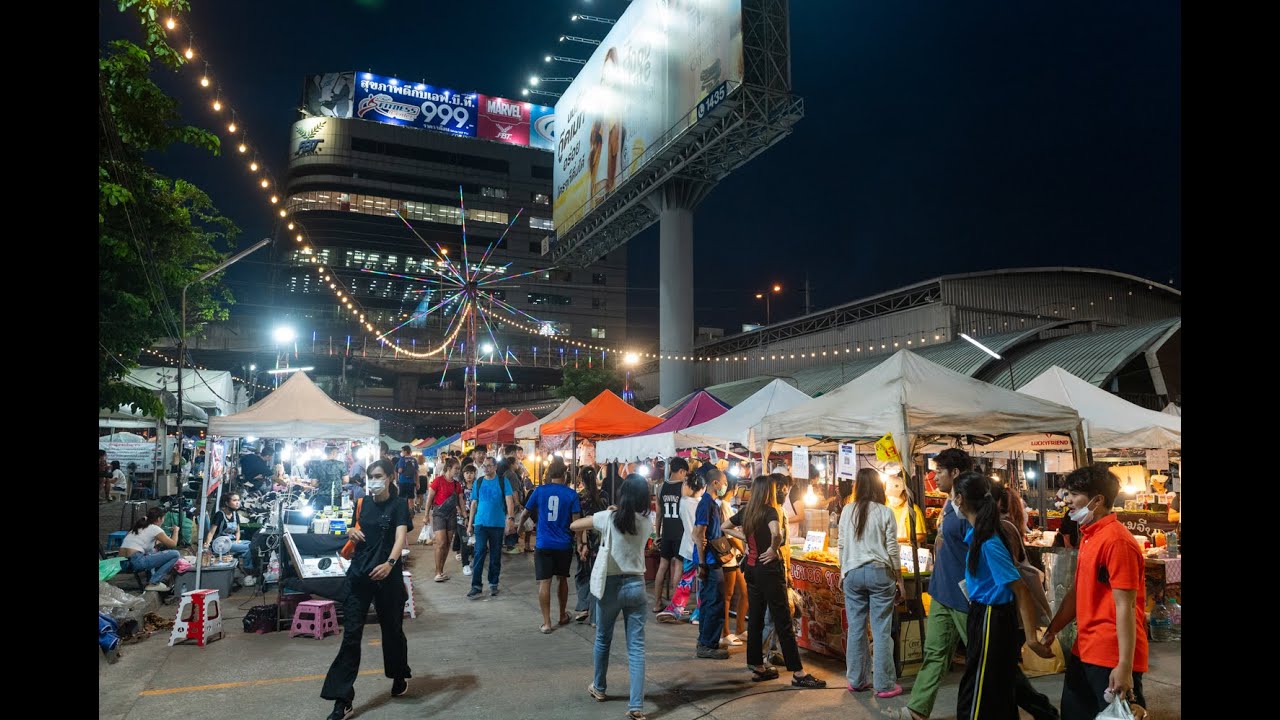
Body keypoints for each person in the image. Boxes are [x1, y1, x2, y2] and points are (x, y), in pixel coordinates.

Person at [1040, 464, 1149, 720]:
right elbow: (1077, 593)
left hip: (1111, 654)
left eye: (1074, 494)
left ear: (1097, 500)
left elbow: (1126, 607)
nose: (1068, 501)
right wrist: (1053, 629)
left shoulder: (1117, 541)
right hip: (1085, 649)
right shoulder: (1090, 536)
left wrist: (1124, 666)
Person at [948, 471, 1055, 720]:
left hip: (991, 617)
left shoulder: (989, 542)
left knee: (977, 690)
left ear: (961, 499)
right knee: (1000, 685)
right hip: (984, 614)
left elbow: (1020, 589)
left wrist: (1031, 639)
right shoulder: (977, 534)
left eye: (953, 496)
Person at [320, 459, 413, 720]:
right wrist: (351, 531)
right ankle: (342, 699)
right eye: (371, 476)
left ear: (391, 477)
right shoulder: (363, 502)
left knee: (392, 630)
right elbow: (355, 528)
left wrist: (390, 564)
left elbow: (400, 538)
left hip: (387, 577)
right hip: (360, 576)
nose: (373, 480)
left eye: (378, 475)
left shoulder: (398, 504)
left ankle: (398, 675)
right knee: (351, 636)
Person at [723, 475, 827, 689]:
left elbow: (725, 527)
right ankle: (798, 673)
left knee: (756, 619)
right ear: (769, 491)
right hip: (769, 570)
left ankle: (757, 667)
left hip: (751, 569)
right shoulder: (771, 511)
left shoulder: (748, 511)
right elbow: (776, 534)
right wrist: (772, 549)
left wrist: (745, 539)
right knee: (783, 621)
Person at [900, 449, 975, 720]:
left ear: (955, 473)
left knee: (983, 660)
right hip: (942, 592)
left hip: (966, 597)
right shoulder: (947, 504)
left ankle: (1028, 704)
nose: (934, 477)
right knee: (934, 654)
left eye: (939, 471)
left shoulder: (971, 507)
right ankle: (917, 710)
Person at [573, 474, 653, 720]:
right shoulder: (648, 521)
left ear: (622, 495)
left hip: (610, 585)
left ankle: (599, 687)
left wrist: (611, 511)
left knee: (603, 639)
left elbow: (574, 526)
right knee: (636, 648)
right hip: (637, 585)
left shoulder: (608, 517)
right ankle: (636, 705)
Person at [840, 468, 904, 697]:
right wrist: (900, 580)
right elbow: (892, 549)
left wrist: (842, 573)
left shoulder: (847, 510)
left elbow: (841, 545)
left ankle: (857, 680)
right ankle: (884, 684)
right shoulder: (886, 512)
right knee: (881, 630)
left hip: (853, 573)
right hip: (880, 574)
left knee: (856, 628)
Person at [519, 457, 582, 633]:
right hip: (564, 544)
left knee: (544, 583)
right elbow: (576, 523)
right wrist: (580, 543)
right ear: (564, 474)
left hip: (543, 543)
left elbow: (525, 514)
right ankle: (562, 615)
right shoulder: (571, 494)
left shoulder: (539, 491)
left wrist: (518, 528)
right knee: (562, 579)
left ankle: (547, 623)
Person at [691, 467, 729, 659]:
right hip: (710, 561)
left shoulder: (711, 503)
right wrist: (702, 563)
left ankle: (706, 640)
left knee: (709, 601)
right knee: (714, 602)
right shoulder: (706, 504)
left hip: (711, 560)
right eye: (724, 483)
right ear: (715, 483)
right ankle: (707, 644)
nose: (725, 486)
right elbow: (699, 534)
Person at [466, 457, 516, 599]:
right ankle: (476, 586)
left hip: (497, 524)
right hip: (481, 523)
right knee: (479, 553)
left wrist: (510, 519)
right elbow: (474, 504)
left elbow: (509, 501)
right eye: (484, 466)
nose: (486, 468)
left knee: (495, 555)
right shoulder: (479, 482)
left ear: (495, 467)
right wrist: (470, 524)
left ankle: (493, 583)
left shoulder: (502, 481)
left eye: (489, 466)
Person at [652, 458, 689, 614]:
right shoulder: (684, 487)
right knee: (678, 567)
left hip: (666, 533)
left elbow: (659, 513)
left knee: (663, 567)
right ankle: (675, 605)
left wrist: (657, 534)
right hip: (681, 533)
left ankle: (657, 603)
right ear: (681, 471)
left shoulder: (660, 487)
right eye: (685, 473)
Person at [575, 466, 609, 624]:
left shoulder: (579, 497)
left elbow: (581, 523)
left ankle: (584, 608)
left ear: (581, 479)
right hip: (602, 540)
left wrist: (581, 544)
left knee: (583, 574)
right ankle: (595, 617)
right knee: (598, 577)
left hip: (586, 539)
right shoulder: (604, 495)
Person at [119, 507, 180, 592]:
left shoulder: (138, 526)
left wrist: (157, 542)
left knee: (154, 552)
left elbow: (142, 544)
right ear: (159, 519)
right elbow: (173, 544)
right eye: (163, 519)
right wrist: (176, 531)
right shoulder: (154, 528)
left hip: (122, 563)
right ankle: (154, 582)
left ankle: (150, 579)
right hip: (136, 562)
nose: (163, 521)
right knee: (175, 554)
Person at [718, 476, 747, 648]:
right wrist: (745, 549)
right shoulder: (723, 506)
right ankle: (725, 633)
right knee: (727, 596)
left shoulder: (727, 506)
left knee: (745, 592)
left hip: (734, 556)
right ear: (734, 487)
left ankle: (740, 629)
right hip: (727, 555)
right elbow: (729, 534)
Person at [425, 457, 463, 582]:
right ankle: (437, 571)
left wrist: (465, 515)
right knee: (440, 542)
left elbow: (461, 500)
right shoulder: (437, 481)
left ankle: (441, 569)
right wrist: (426, 515)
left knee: (447, 544)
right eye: (456, 468)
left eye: (458, 469)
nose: (458, 471)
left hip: (452, 515)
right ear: (448, 468)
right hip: (439, 514)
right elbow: (429, 499)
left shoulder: (457, 484)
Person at [203, 493, 254, 579]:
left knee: (252, 544)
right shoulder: (220, 515)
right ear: (226, 503)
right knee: (247, 548)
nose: (237, 503)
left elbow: (238, 531)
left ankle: (248, 568)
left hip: (232, 542)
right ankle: (248, 570)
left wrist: (237, 541)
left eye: (238, 500)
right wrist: (207, 545)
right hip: (221, 544)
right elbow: (211, 532)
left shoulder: (235, 515)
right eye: (234, 500)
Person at [887, 474, 928, 546]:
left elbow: (921, 536)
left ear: (905, 493)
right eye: (891, 495)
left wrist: (900, 540)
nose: (893, 498)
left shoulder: (913, 509)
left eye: (897, 495)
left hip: (908, 552)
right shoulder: (886, 508)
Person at [456, 464, 477, 577]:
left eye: (471, 473)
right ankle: (465, 564)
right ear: (463, 474)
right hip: (461, 519)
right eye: (467, 473)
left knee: (475, 542)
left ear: (475, 474)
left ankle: (473, 559)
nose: (469, 475)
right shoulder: (459, 486)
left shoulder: (478, 486)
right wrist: (463, 515)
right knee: (464, 542)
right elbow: (456, 502)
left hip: (476, 518)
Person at [313, 445, 350, 511]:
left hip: (322, 497)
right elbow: (346, 480)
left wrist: (323, 483)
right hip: (336, 496)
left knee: (320, 517)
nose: (337, 454)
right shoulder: (340, 464)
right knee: (335, 517)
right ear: (333, 453)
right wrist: (337, 483)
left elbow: (313, 483)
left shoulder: (317, 465)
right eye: (337, 453)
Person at [395, 446, 419, 513]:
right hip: (411, 482)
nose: (401, 452)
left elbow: (399, 470)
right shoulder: (414, 460)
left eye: (402, 451)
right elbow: (416, 472)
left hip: (403, 481)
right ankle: (411, 510)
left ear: (405, 451)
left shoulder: (402, 459)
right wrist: (417, 482)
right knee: (411, 497)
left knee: (402, 497)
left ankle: (403, 511)